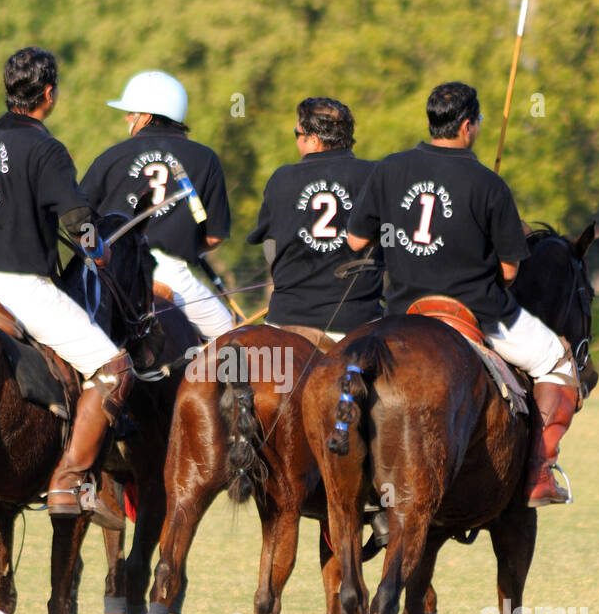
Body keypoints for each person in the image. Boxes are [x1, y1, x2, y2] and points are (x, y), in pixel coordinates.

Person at [344, 81, 579, 507]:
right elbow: (509, 270)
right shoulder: (489, 184)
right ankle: (537, 474)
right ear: (468, 126)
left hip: (403, 313)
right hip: (477, 315)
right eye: (479, 122)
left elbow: (357, 242)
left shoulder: (389, 169)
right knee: (557, 359)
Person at [0, 46, 129, 529]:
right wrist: (97, 249)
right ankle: (68, 480)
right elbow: (78, 219)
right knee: (113, 366)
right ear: (49, 93)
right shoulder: (48, 149)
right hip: (19, 288)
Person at [80, 70, 235, 340]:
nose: (127, 118)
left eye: (131, 112)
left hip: (110, 273)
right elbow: (215, 235)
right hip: (170, 273)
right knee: (237, 342)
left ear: (147, 116)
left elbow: (80, 216)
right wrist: (185, 247)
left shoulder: (110, 157)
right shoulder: (205, 158)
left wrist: (97, 248)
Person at [247, 98, 382, 351]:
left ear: (314, 139)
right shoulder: (375, 174)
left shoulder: (280, 178)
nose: (296, 140)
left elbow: (269, 246)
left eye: (297, 134)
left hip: (285, 321)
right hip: (357, 323)